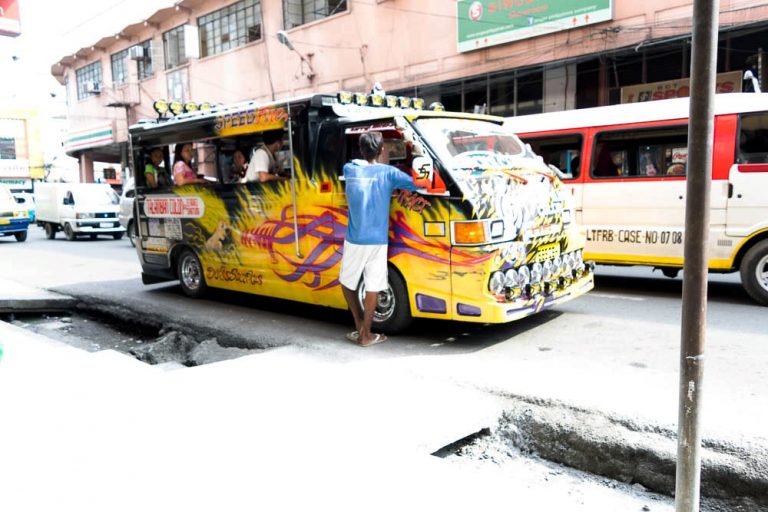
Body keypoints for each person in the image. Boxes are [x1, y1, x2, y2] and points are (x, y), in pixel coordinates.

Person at [339, 131, 419, 347]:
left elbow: (355, 164)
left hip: (354, 238)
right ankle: (366, 334)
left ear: (361, 150)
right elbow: (418, 183)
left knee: (347, 283)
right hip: (377, 240)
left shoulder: (350, 169)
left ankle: (358, 326)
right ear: (382, 150)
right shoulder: (389, 173)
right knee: (373, 285)